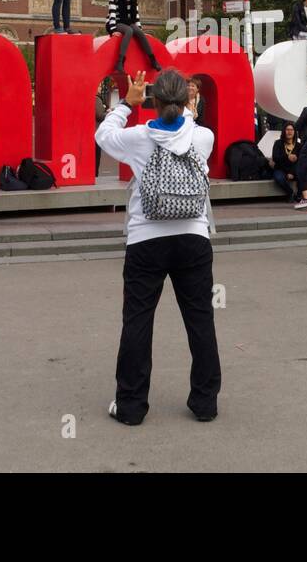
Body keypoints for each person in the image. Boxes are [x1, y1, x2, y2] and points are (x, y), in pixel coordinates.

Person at [95, 68, 221, 426]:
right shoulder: (203, 137)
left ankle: (131, 405)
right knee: (200, 319)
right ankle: (205, 402)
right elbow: (187, 125)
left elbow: (103, 135)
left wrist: (126, 104)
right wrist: (188, 108)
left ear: (153, 101)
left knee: (138, 319)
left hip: (146, 239)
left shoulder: (138, 137)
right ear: (187, 99)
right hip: (193, 237)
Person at [106, 0, 162, 74]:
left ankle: (153, 60)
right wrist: (112, 30)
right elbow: (112, 12)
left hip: (128, 21)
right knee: (129, 31)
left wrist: (139, 28)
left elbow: (136, 14)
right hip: (116, 22)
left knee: (139, 32)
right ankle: (120, 62)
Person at [270, 123, 302, 203]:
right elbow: (275, 158)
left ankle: (299, 195)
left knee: (303, 175)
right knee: (278, 177)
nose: (289, 132)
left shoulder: (299, 146)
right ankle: (290, 193)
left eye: (291, 130)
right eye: (287, 130)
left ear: (294, 132)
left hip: (294, 170)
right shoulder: (278, 143)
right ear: (284, 131)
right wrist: (287, 157)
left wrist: (292, 172)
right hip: (281, 169)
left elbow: (300, 162)